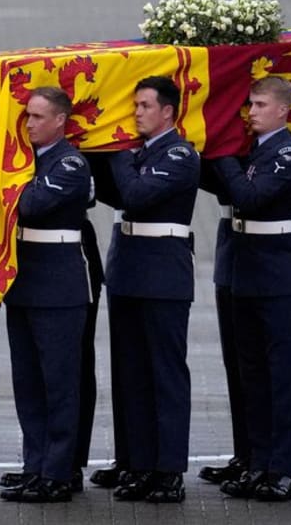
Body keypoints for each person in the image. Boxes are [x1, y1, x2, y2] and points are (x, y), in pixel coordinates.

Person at [210, 76, 291, 502]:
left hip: (280, 276)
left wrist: (219, 154)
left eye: (258, 104)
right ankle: (257, 463)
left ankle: (281, 470)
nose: (250, 111)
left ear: (282, 110)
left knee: (282, 375)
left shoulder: (288, 153)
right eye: (249, 104)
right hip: (248, 271)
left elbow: (249, 196)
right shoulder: (253, 149)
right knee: (252, 372)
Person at [104, 75, 200, 503]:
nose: (137, 112)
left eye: (144, 106)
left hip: (162, 275)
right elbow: (112, 191)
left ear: (167, 111)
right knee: (132, 374)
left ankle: (169, 470)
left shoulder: (180, 153)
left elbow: (137, 193)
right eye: (135, 105)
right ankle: (140, 464)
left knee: (165, 375)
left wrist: (119, 153)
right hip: (128, 270)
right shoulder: (141, 153)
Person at [0, 86, 91, 503]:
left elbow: (31, 205)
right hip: (24, 283)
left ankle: (58, 472)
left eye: (37, 117)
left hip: (58, 286)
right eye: (27, 117)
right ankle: (35, 465)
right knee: (28, 382)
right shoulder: (28, 159)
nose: (29, 124)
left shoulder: (70, 163)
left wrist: (5, 184)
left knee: (58, 384)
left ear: (60, 121)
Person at [197, 167, 250, 485]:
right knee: (237, 362)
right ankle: (245, 454)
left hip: (266, 247)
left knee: (263, 369)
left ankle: (268, 460)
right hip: (231, 239)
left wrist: (225, 156)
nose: (252, 112)